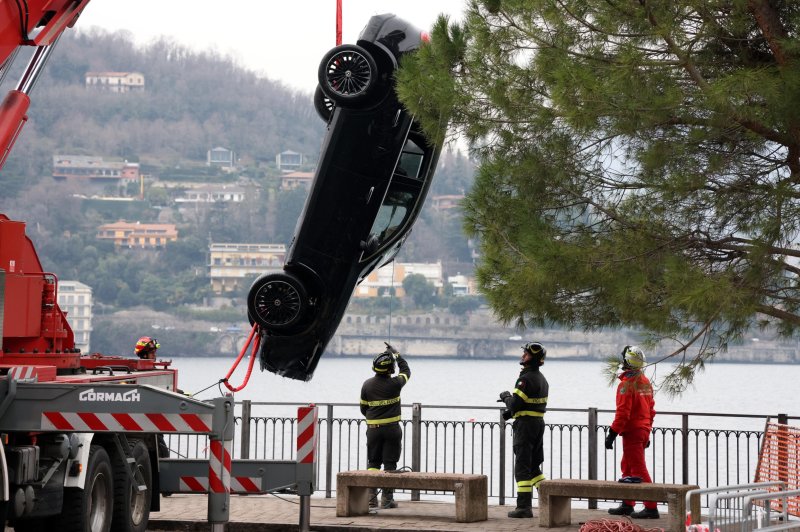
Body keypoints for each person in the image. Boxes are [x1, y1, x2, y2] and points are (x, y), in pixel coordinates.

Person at [605, 345, 659, 519]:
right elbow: (651, 410)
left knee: (639, 469)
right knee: (627, 466)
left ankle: (651, 507)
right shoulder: (644, 381)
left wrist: (612, 434)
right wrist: (648, 431)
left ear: (627, 361)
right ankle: (627, 504)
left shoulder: (626, 385)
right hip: (642, 430)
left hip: (634, 431)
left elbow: (623, 413)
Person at [498, 342, 549, 518]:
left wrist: (506, 397)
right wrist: (510, 413)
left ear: (532, 358)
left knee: (522, 466)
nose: (523, 356)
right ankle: (550, 499)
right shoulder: (542, 379)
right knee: (534, 466)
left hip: (525, 427)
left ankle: (523, 507)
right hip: (537, 424)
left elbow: (516, 403)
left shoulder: (525, 379)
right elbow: (531, 405)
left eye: (526, 354)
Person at [360, 342, 410, 510]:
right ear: (391, 369)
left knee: (373, 463)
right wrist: (396, 353)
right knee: (390, 464)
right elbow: (407, 371)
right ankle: (387, 500)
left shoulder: (367, 385)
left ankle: (371, 499)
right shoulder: (396, 384)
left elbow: (363, 408)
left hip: (373, 430)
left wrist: (373, 420)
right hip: (392, 430)